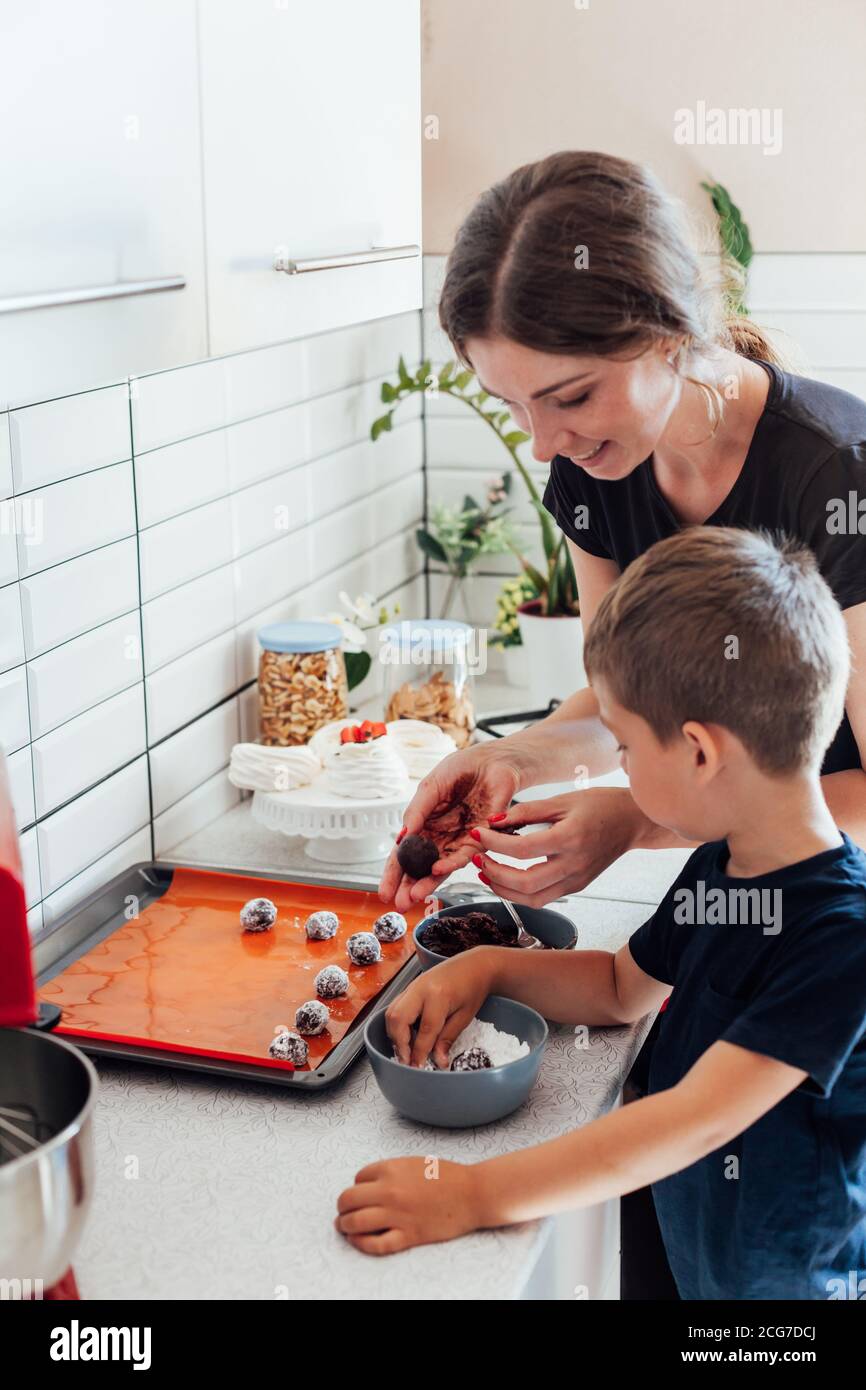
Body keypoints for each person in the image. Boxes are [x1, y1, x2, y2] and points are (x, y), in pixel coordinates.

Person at [377, 150, 866, 1295]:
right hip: (733, 841)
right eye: (511, 406)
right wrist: (518, 757)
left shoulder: (837, 478)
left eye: (569, 397)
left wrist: (639, 820)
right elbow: (617, 691)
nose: (542, 445)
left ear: (667, 336)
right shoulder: (592, 471)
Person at [339, 528, 866, 1300]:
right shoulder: (726, 863)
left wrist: (477, 1195)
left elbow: (694, 1120)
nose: (616, 768)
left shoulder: (841, 940)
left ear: (698, 751)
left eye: (621, 745)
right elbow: (620, 989)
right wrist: (486, 966)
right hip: (699, 1260)